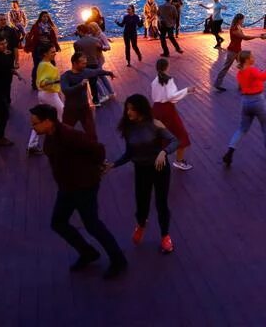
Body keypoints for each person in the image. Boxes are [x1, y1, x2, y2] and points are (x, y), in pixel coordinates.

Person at [29, 104, 127, 280]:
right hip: (67, 187)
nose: (33, 127)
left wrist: (93, 169)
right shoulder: (50, 136)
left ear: (48, 121)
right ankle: (88, 252)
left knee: (92, 225)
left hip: (84, 186)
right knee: (58, 223)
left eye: (35, 123)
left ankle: (118, 260)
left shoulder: (70, 135)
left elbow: (97, 149)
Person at [104, 94, 178, 254]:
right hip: (141, 169)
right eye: (127, 109)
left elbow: (175, 141)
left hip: (159, 168)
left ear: (141, 110)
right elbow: (129, 153)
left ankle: (165, 236)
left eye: (132, 109)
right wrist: (114, 164)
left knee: (161, 203)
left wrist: (164, 152)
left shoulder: (155, 125)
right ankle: (141, 225)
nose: (128, 112)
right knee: (141, 202)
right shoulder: (128, 128)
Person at [221, 50, 266, 165]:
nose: (254, 58)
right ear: (247, 59)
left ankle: (230, 152)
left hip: (245, 102)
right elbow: (263, 77)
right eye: (252, 57)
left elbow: (249, 81)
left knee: (242, 129)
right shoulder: (251, 69)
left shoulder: (240, 73)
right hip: (258, 101)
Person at [151, 58, 195, 171]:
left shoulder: (154, 81)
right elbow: (172, 96)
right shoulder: (168, 80)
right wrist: (187, 90)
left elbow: (154, 97)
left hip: (156, 109)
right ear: (167, 67)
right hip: (167, 110)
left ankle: (156, 160)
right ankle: (179, 161)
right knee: (181, 135)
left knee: (159, 136)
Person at [60, 52, 114, 141]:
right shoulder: (66, 76)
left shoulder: (85, 72)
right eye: (83, 64)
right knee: (65, 133)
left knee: (92, 134)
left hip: (84, 108)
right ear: (74, 63)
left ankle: (94, 148)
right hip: (71, 109)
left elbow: (97, 71)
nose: (85, 65)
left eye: (85, 63)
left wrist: (109, 73)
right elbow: (66, 90)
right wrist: (80, 85)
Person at [30, 46, 64, 155]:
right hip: (49, 94)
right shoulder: (46, 65)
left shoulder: (42, 64)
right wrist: (55, 81)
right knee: (60, 116)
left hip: (44, 94)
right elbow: (42, 82)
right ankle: (60, 142)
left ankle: (32, 144)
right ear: (45, 53)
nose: (55, 53)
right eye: (52, 52)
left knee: (41, 119)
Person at [24, 11, 61, 88]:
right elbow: (31, 36)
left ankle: (52, 81)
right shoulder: (36, 26)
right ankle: (34, 84)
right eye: (44, 16)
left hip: (48, 48)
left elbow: (53, 38)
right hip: (38, 48)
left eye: (47, 17)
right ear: (40, 17)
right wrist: (29, 45)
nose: (45, 18)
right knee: (37, 66)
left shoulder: (50, 26)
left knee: (52, 63)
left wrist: (56, 46)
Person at [73, 23, 106, 106]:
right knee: (93, 83)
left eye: (78, 31)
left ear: (81, 31)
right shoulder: (96, 40)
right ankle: (96, 101)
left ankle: (83, 101)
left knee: (82, 83)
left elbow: (77, 55)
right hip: (94, 63)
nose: (77, 33)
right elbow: (99, 51)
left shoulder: (77, 43)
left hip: (83, 65)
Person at [88, 22, 116, 101]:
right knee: (100, 76)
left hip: (99, 58)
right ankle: (110, 92)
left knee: (97, 76)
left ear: (95, 28)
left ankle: (105, 94)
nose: (90, 30)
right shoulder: (90, 36)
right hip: (92, 58)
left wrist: (101, 46)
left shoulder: (101, 35)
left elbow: (108, 47)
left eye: (91, 28)